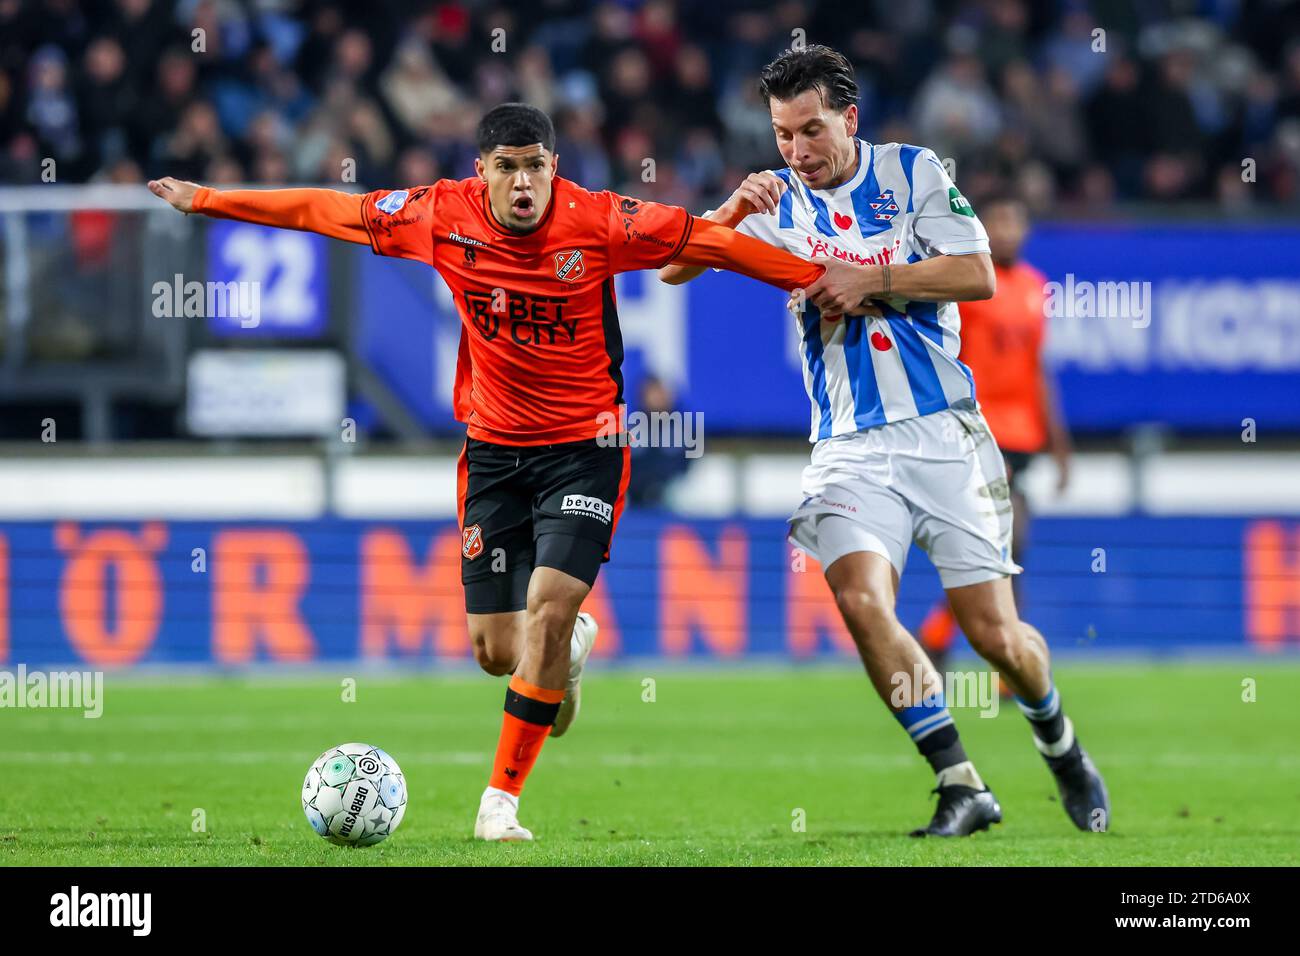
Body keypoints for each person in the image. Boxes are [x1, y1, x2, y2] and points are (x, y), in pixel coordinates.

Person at [151, 102, 825, 842]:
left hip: (585, 449)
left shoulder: (599, 220)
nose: (523, 181)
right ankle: (561, 656)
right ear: (482, 173)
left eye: (535, 164)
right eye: (506, 167)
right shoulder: (440, 214)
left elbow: (706, 247)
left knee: (549, 602)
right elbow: (327, 210)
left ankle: (499, 802)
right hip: (495, 455)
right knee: (496, 651)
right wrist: (208, 198)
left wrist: (824, 282)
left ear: (554, 167)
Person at [659, 47, 1108, 836]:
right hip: (849, 446)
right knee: (862, 600)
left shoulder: (913, 173)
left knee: (997, 637)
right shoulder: (775, 202)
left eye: (811, 130)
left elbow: (976, 273)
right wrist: (726, 217)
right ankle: (961, 782)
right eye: (781, 134)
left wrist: (874, 279)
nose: (797, 152)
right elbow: (672, 271)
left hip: (946, 436)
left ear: (849, 118)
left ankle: (1059, 741)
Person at [919, 193, 1073, 675]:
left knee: (999, 545)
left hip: (1024, 434)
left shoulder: (1034, 287)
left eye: (1014, 221)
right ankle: (1007, 664)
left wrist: (1059, 443)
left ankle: (941, 637)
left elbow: (1037, 369)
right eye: (998, 220)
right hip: (978, 428)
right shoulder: (968, 281)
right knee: (1009, 539)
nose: (1007, 231)